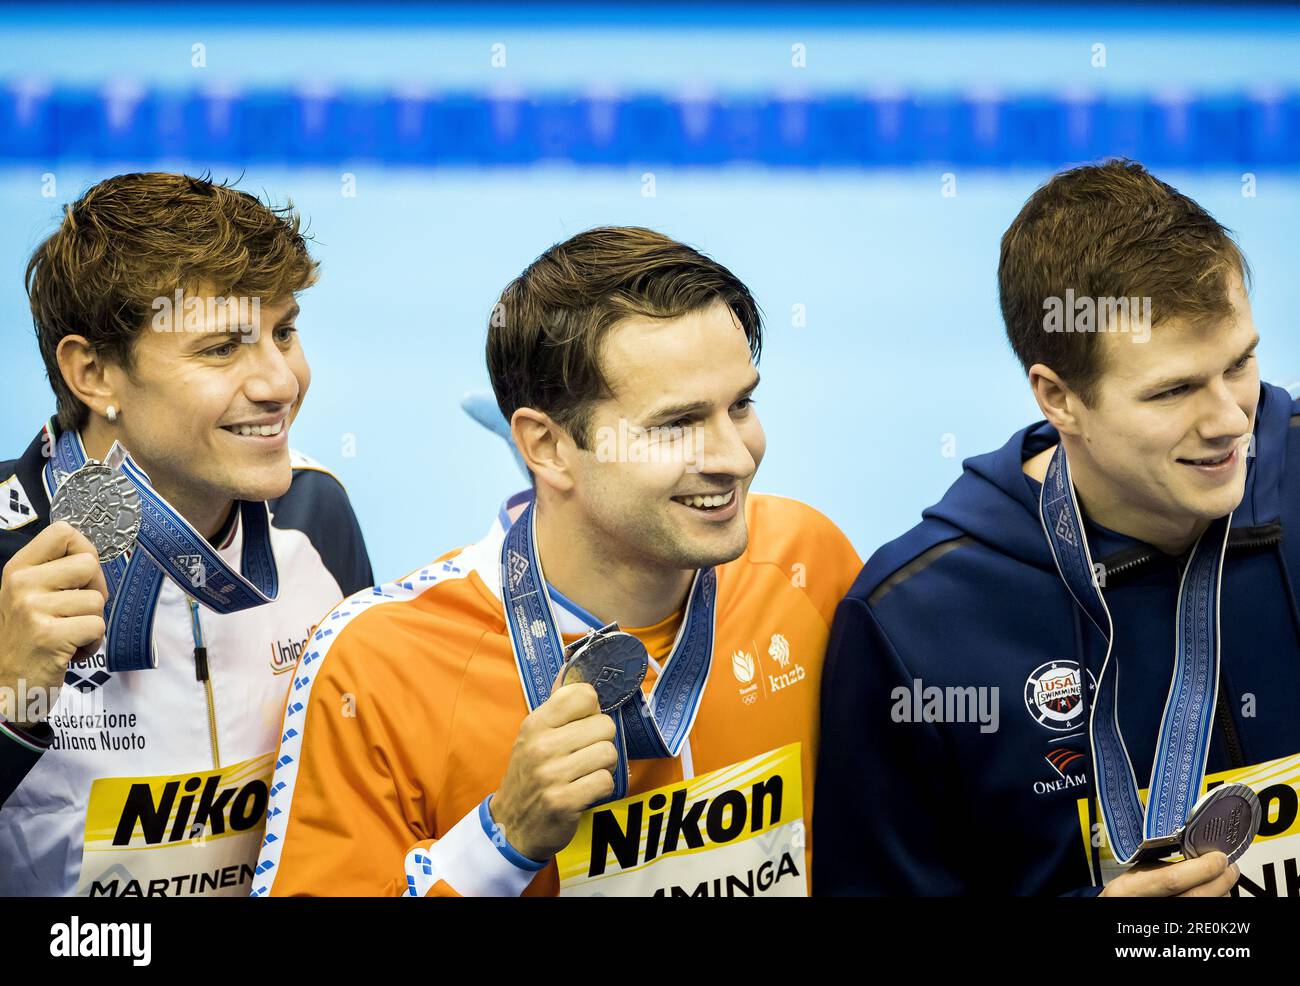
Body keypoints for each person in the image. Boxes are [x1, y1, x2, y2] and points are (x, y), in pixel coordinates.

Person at [252, 226, 861, 896]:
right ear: (544, 447)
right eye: (676, 425)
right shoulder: (379, 664)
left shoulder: (805, 563)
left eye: (740, 405)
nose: (736, 458)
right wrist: (499, 845)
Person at [815, 159, 1300, 897]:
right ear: (1058, 398)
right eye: (1174, 390)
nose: (1232, 421)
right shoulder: (918, 622)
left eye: (1240, 365)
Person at [0, 173, 372, 896]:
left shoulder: (316, 514)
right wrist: (8, 702)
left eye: (284, 332)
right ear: (93, 372)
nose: (280, 383)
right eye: (222, 349)